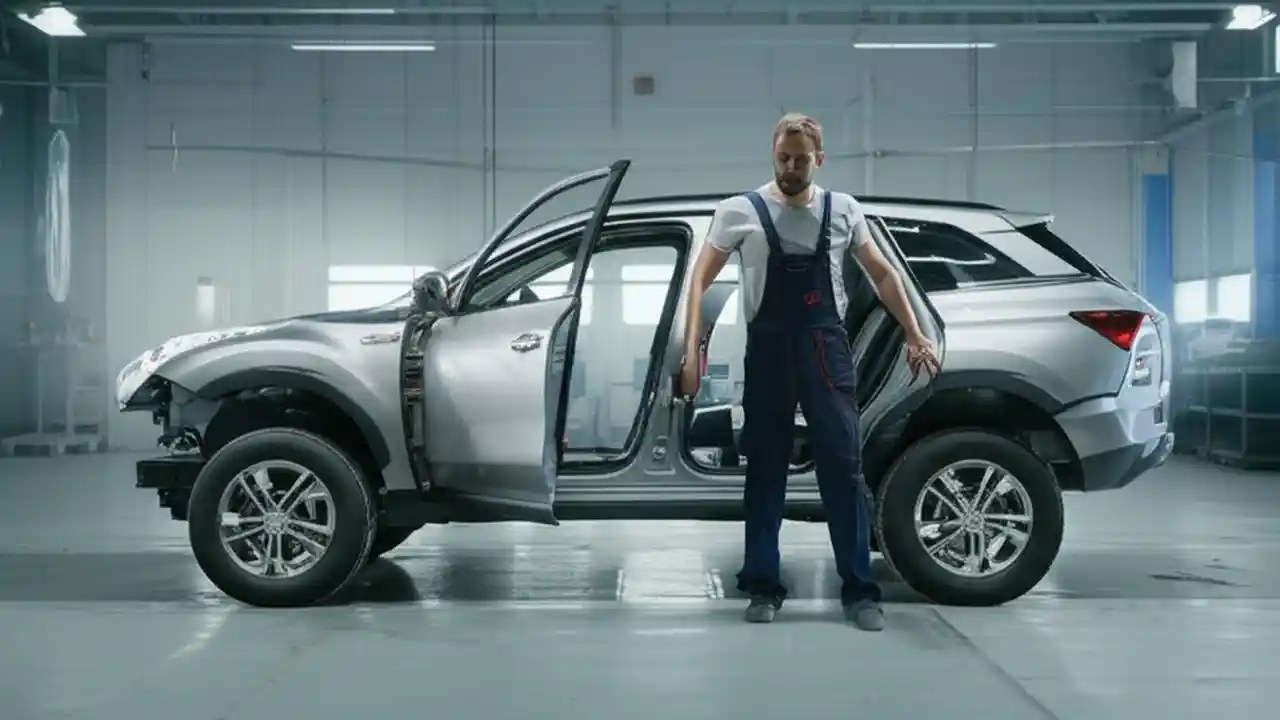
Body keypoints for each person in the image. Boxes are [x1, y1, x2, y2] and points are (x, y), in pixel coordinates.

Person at [679, 113, 941, 630]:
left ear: (819, 158)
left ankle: (860, 592)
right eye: (783, 157)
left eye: (801, 159)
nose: (791, 167)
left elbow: (883, 274)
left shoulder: (843, 210)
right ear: (772, 152)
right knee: (765, 471)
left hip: (826, 349)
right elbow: (698, 281)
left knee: (842, 469)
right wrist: (691, 351)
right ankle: (762, 587)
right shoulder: (739, 212)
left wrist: (915, 332)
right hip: (769, 352)